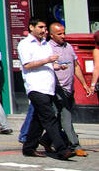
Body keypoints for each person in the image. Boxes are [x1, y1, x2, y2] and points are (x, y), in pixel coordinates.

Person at [18, 17, 75, 160]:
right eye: (41, 27)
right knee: (50, 118)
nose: (44, 31)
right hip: (36, 87)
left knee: (38, 120)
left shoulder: (45, 44)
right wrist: (47, 60)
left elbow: (48, 65)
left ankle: (29, 148)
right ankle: (62, 150)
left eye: (44, 28)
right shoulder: (25, 44)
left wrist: (57, 66)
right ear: (31, 27)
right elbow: (27, 65)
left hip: (48, 87)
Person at [47, 21, 86, 157]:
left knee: (58, 118)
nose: (63, 36)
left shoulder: (69, 47)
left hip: (69, 89)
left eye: (64, 33)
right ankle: (75, 145)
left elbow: (75, 66)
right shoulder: (48, 48)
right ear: (52, 35)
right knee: (66, 116)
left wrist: (85, 84)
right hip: (57, 89)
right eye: (59, 34)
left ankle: (45, 139)